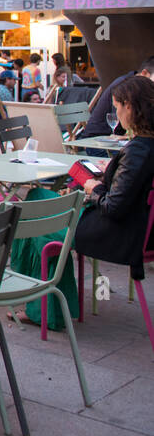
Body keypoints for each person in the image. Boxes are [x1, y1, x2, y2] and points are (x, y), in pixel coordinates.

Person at [74, 77, 154, 284]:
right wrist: (114, 171)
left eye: (117, 107)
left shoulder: (138, 150)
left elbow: (113, 207)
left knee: (37, 222)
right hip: (140, 229)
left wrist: (94, 187)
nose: (117, 114)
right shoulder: (146, 145)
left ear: (128, 107)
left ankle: (43, 308)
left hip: (118, 234)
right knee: (39, 198)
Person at [78, 56, 154, 138]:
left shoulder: (139, 88)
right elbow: (123, 128)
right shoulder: (125, 86)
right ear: (144, 73)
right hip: (100, 141)